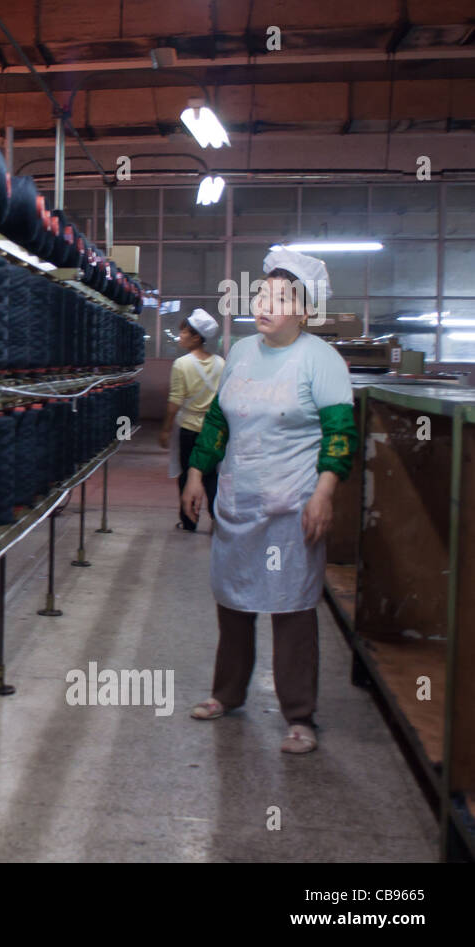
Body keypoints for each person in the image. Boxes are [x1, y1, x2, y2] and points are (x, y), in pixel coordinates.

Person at [181, 248, 358, 754]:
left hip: (291, 508)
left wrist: (325, 491)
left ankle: (299, 715)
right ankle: (227, 693)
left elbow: (340, 435)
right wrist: (197, 474)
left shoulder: (321, 360)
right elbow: (218, 421)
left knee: (292, 611)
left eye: (280, 297)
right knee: (232, 604)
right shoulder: (239, 353)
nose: (264, 303)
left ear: (304, 310)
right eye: (261, 293)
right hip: (239, 503)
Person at [159, 309, 223, 532]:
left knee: (187, 474)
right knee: (211, 476)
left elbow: (175, 401)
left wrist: (166, 429)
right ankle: (216, 521)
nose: (180, 337)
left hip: (188, 429)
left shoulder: (182, 364)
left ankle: (189, 520)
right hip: (213, 431)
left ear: (196, 337)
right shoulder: (220, 363)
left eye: (184, 333)